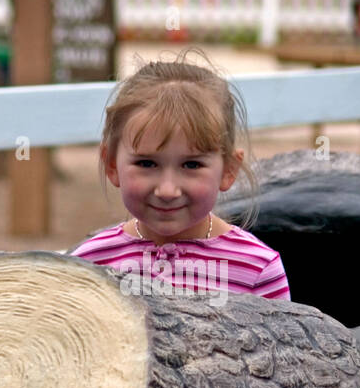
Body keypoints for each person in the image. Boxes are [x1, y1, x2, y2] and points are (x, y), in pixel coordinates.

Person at [68, 50, 290, 302]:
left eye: (191, 165)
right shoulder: (89, 265)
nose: (167, 190)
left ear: (228, 170)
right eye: (146, 163)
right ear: (111, 165)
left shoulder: (257, 269)